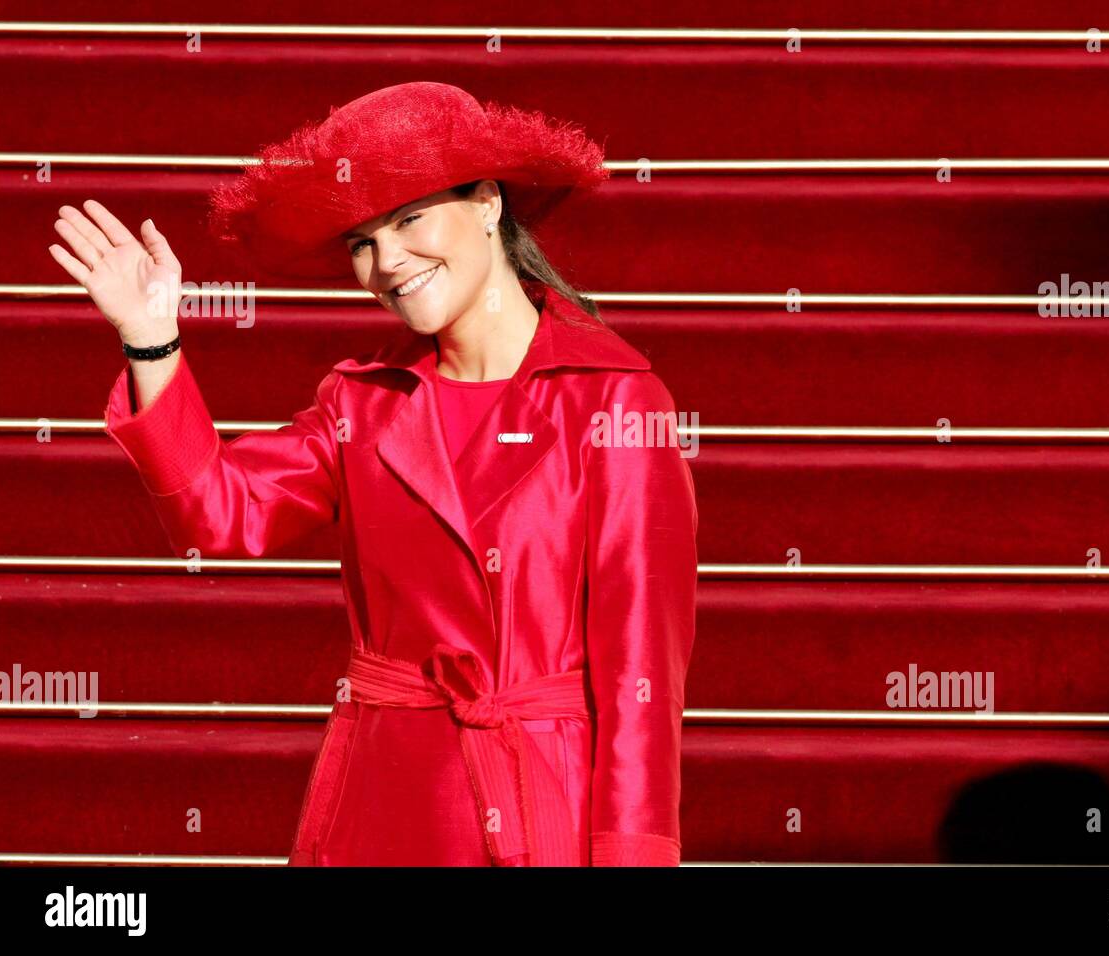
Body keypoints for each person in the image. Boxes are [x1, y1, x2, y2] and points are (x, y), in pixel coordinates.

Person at [46, 82, 699, 866]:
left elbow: (641, 685)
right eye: (363, 240)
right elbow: (215, 512)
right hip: (377, 804)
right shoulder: (360, 403)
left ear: (488, 202)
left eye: (410, 219)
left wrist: (633, 858)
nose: (387, 263)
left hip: (538, 809)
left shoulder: (619, 404)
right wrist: (153, 342)